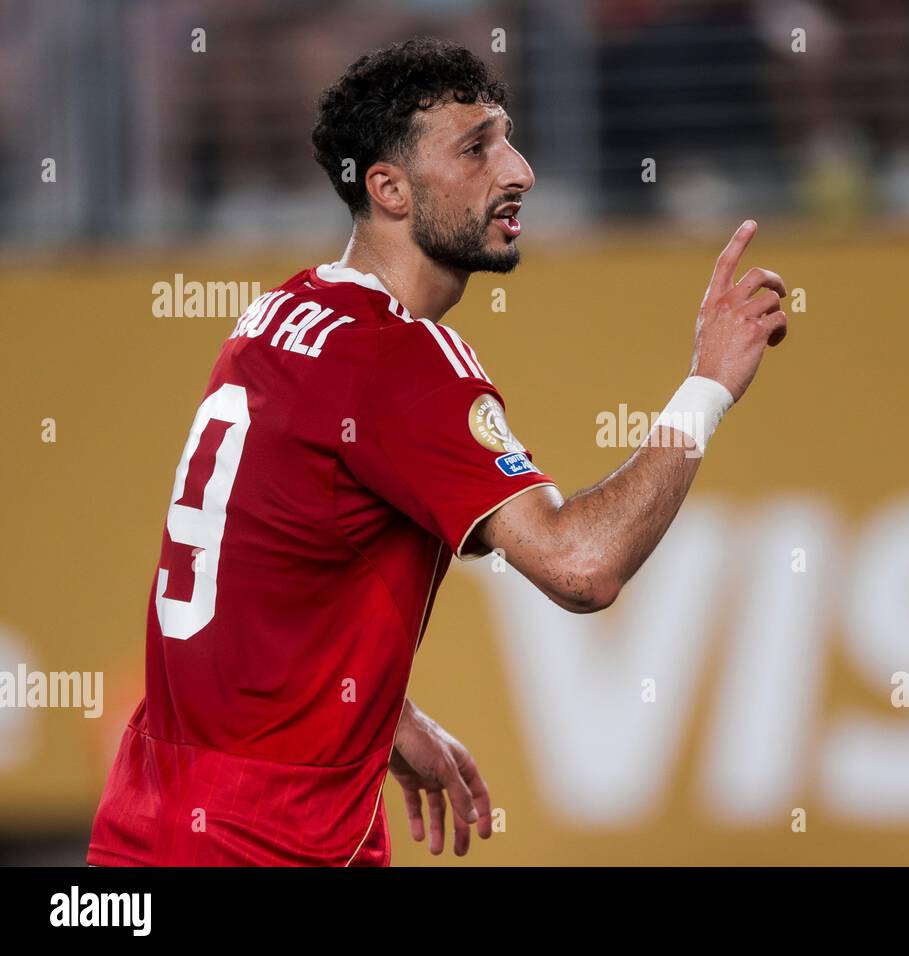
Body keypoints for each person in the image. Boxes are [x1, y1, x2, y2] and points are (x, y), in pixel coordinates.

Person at [88, 36, 787, 867]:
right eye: (477, 147)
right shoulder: (400, 359)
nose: (519, 170)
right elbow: (582, 566)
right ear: (387, 187)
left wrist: (386, 715)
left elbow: (264, 565)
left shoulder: (277, 317)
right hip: (268, 845)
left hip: (147, 827)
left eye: (509, 137)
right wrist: (706, 387)